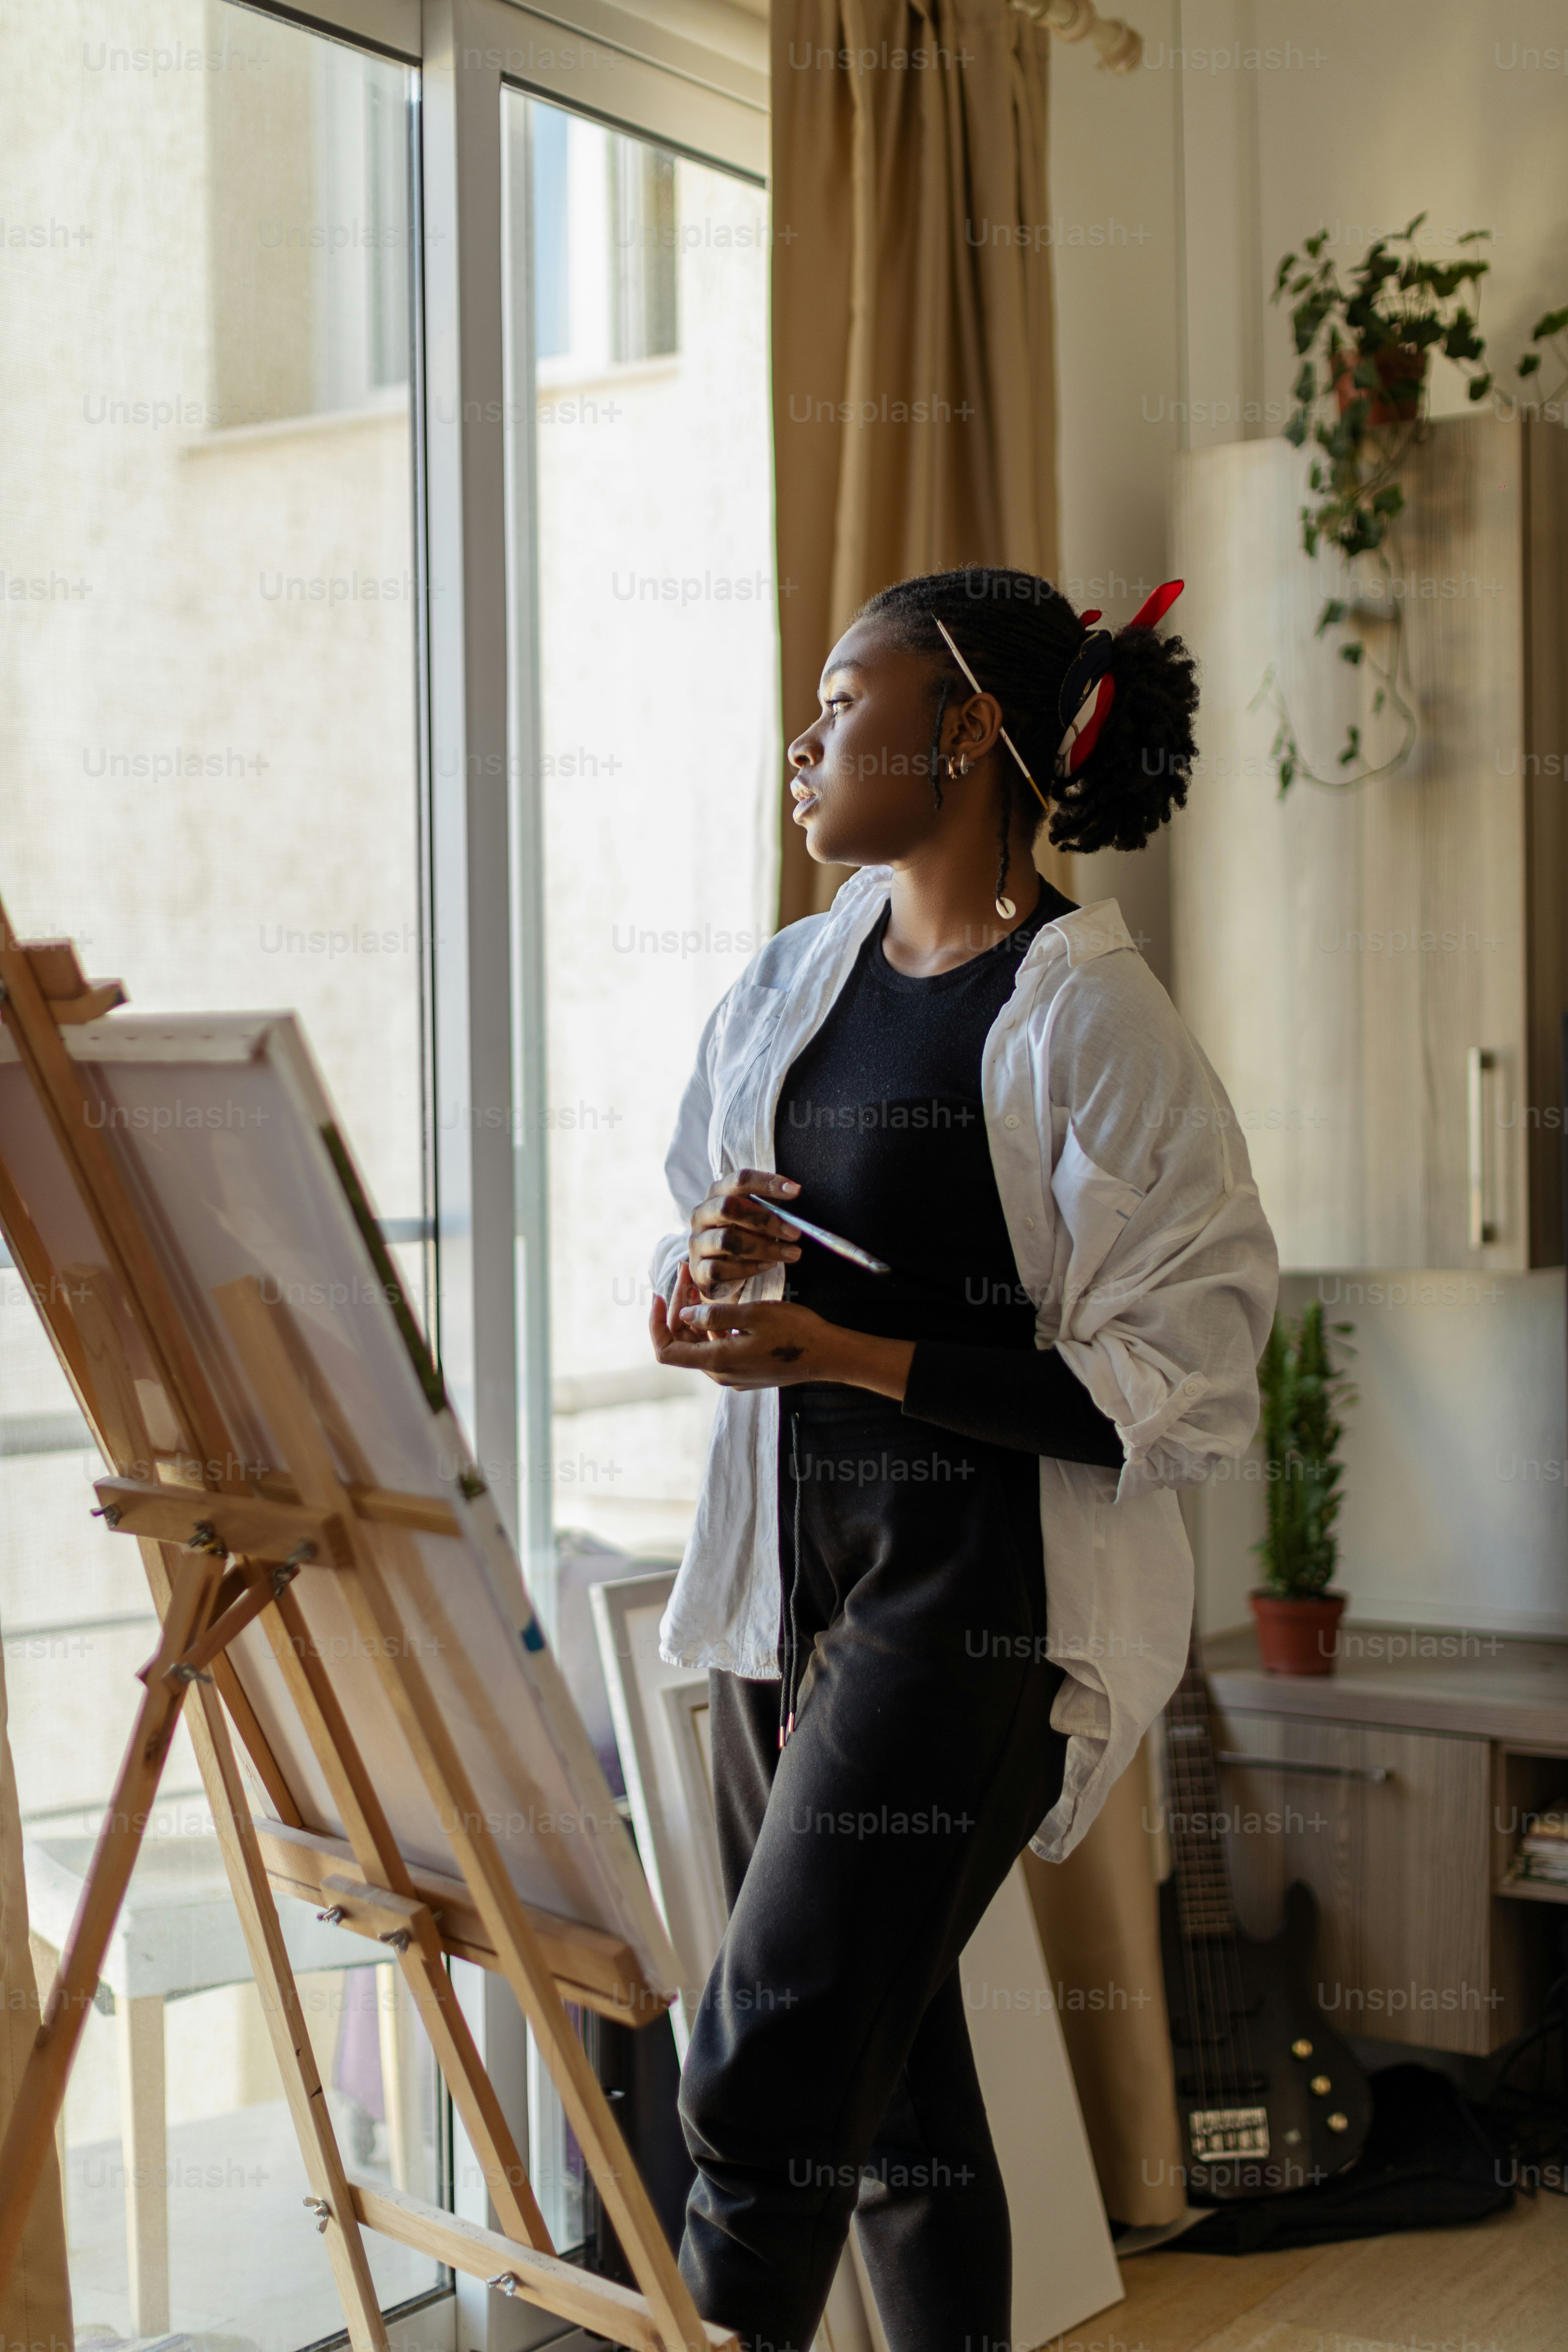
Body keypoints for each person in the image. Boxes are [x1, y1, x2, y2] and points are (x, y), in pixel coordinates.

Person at [648, 566, 1278, 2352]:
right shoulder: (800, 973)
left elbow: (1178, 1376)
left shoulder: (1089, 1018)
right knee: (896, 2103)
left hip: (965, 1608)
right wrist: (697, 1292)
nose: (808, 737)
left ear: (967, 729)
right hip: (786, 1577)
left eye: (846, 703)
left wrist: (838, 1349)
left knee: (763, 2090)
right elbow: (715, 1220)